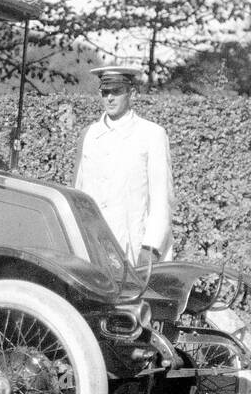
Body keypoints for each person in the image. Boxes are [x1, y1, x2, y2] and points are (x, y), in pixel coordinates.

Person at [72, 65, 175, 266]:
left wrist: (151, 248)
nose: (110, 98)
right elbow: (78, 192)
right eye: (105, 92)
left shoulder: (151, 135)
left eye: (117, 91)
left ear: (132, 93)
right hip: (91, 247)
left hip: (133, 248)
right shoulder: (88, 135)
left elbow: (162, 199)